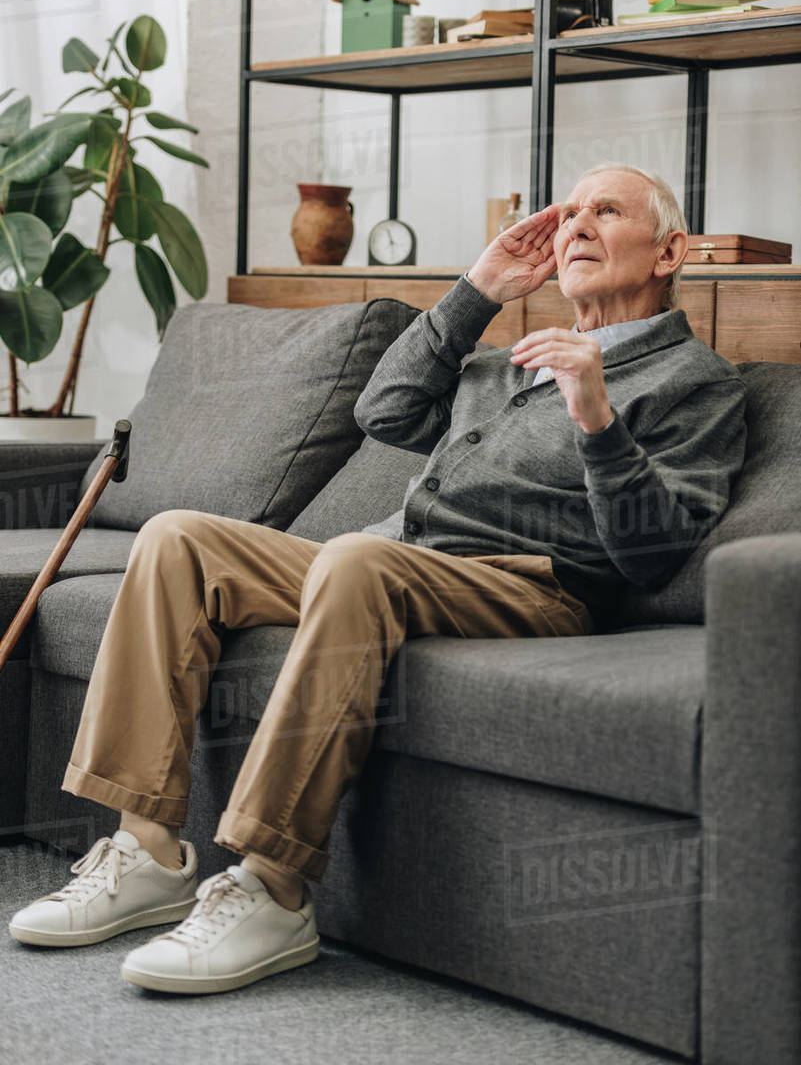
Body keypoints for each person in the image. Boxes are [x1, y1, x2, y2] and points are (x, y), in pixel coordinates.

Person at [9, 163, 747, 995]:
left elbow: (652, 553)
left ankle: (271, 888)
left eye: (604, 212)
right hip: (396, 561)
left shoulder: (695, 382)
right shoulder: (508, 363)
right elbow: (384, 410)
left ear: (668, 252)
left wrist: (595, 415)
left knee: (356, 559)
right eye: (568, 212)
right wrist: (477, 289)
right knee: (178, 538)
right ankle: (145, 851)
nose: (575, 224)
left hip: (533, 588)